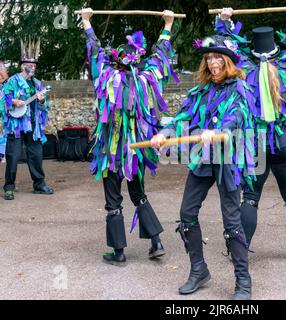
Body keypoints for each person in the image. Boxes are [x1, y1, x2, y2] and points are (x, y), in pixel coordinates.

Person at [150, 31, 256, 300]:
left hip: (228, 159)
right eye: (209, 58)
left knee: (232, 221)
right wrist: (165, 134)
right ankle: (199, 270)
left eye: (217, 58)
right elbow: (184, 115)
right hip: (203, 157)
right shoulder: (201, 91)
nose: (212, 63)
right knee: (186, 214)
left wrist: (219, 129)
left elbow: (238, 115)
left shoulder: (239, 88)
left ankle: (243, 281)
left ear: (227, 61)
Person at [215, 4, 286, 259]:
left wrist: (225, 21)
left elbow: (225, 50)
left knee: (250, 198)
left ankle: (241, 250)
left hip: (256, 144)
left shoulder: (242, 70)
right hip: (284, 141)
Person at [80, 8, 179, 265]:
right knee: (139, 194)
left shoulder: (106, 76)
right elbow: (160, 56)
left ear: (116, 60)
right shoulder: (148, 80)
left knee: (113, 199)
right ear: (137, 60)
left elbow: (94, 50)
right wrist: (167, 24)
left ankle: (119, 252)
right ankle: (156, 241)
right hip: (136, 151)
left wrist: (86, 21)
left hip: (112, 154)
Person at [0, 39, 54, 200]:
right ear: (22, 66)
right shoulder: (12, 81)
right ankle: (9, 186)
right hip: (16, 125)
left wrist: (42, 100)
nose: (33, 68)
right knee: (13, 156)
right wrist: (14, 102)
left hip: (33, 125)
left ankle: (39, 184)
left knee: (36, 155)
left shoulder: (37, 84)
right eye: (30, 66)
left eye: (35, 66)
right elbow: (3, 99)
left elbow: (45, 105)